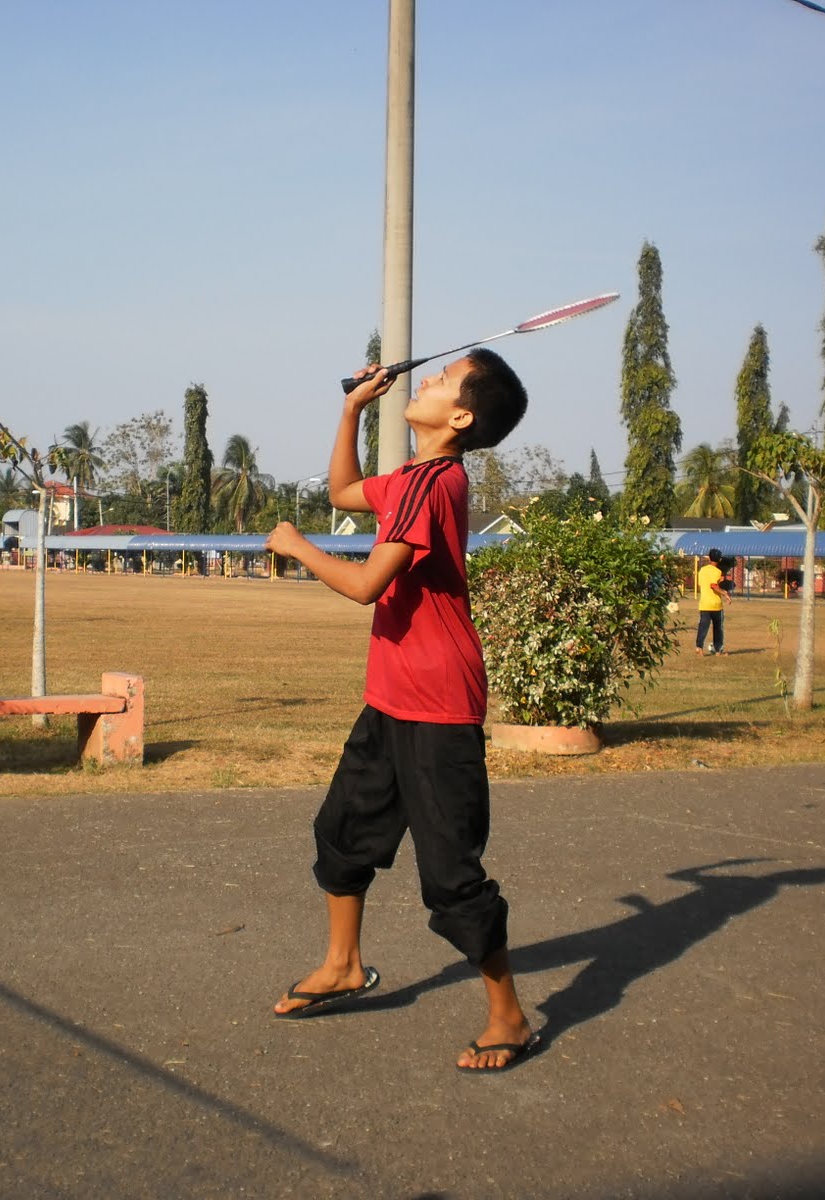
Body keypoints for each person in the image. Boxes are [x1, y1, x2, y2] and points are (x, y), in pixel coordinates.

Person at [263, 348, 539, 1073]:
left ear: (461, 417)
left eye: (445, 380)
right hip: (392, 695)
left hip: (439, 702)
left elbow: (364, 587)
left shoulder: (437, 483)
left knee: (451, 877)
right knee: (343, 831)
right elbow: (346, 490)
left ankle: (509, 1016)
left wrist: (296, 548)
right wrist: (353, 407)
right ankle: (343, 965)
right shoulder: (414, 479)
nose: (428, 378)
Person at [695, 547, 729, 655]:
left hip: (704, 603)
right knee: (718, 628)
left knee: (703, 627)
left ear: (709, 558)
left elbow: (701, 584)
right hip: (715, 604)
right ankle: (718, 650)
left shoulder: (702, 570)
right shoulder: (718, 572)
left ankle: (699, 647)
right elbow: (713, 585)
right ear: (719, 559)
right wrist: (725, 593)